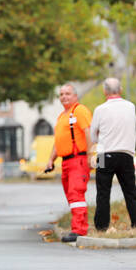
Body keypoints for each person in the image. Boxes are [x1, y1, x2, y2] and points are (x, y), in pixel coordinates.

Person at [89, 78, 136, 232]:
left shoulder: (100, 110)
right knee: (130, 191)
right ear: (120, 90)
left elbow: (93, 136)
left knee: (103, 192)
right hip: (126, 154)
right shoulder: (130, 107)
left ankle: (101, 226)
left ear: (104, 91)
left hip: (105, 155)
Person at [44, 83, 92, 241]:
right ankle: (78, 227)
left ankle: (79, 230)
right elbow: (59, 142)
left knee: (76, 193)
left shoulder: (79, 111)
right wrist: (51, 160)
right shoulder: (62, 116)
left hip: (78, 160)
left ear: (75, 96)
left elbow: (88, 132)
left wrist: (90, 156)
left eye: (68, 94)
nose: (64, 97)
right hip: (66, 161)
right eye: (61, 94)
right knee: (72, 197)